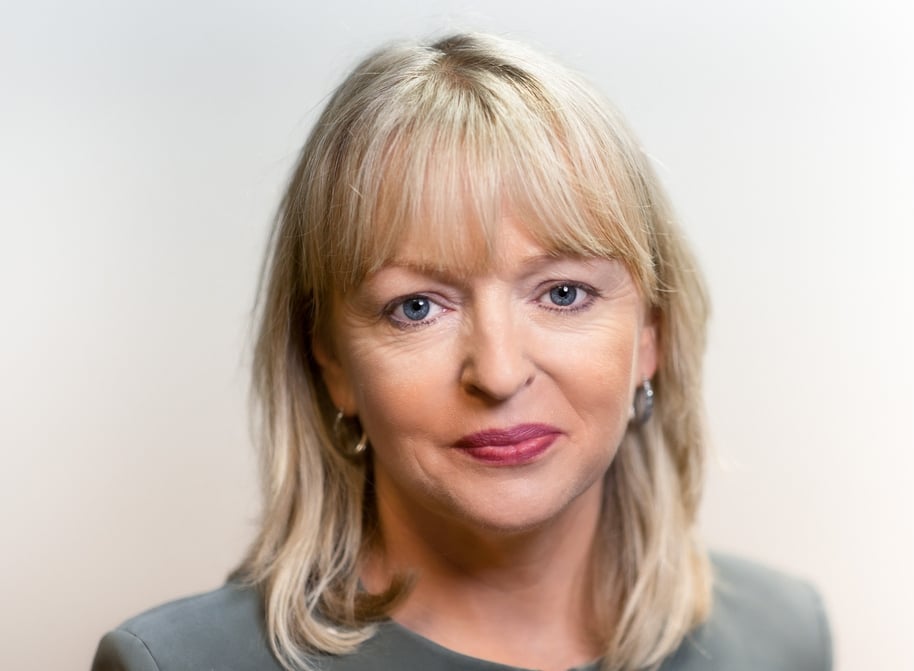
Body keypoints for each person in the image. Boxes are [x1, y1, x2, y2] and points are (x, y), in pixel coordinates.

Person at [92, 32, 832, 671]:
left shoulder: (780, 636)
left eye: (563, 293)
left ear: (651, 337)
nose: (500, 373)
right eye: (417, 306)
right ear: (332, 362)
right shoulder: (174, 663)